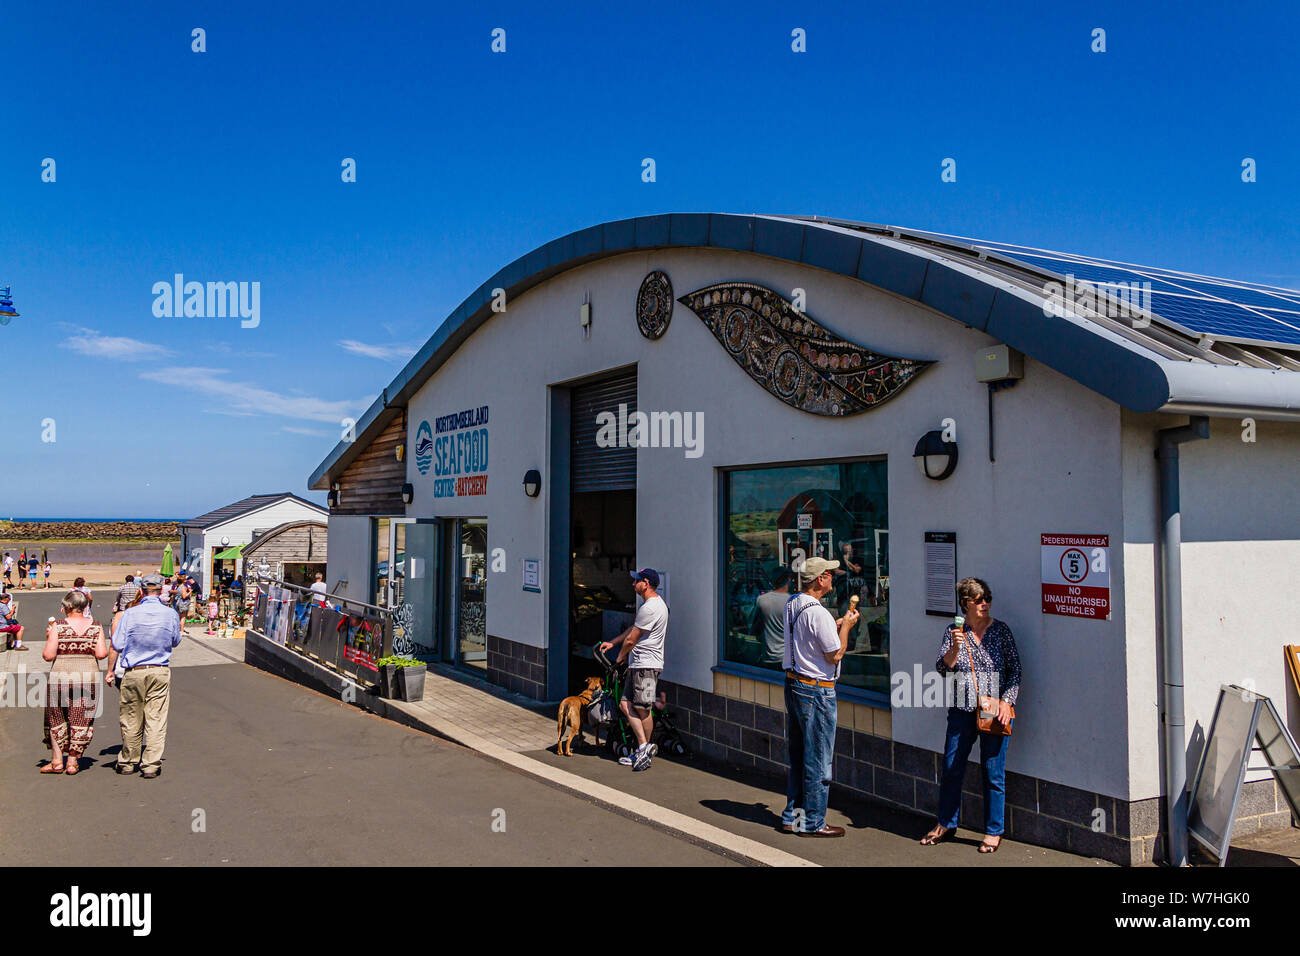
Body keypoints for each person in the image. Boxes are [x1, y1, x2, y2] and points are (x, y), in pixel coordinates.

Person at [921, 577, 1021, 853]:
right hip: (962, 708)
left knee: (992, 771)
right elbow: (943, 669)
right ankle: (946, 823)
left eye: (987, 598)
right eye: (978, 600)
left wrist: (1006, 702)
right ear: (965, 603)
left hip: (993, 708)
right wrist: (954, 648)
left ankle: (993, 831)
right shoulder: (954, 631)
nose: (985, 604)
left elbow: (1015, 671)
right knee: (952, 767)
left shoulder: (1000, 631)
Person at [781, 556, 858, 838]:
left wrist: (836, 623)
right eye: (829, 573)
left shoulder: (793, 603)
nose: (833, 577)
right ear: (820, 579)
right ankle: (812, 822)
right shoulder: (818, 613)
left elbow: (811, 637)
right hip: (816, 690)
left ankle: (794, 817)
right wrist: (847, 626)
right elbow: (834, 653)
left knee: (800, 755)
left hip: (794, 684)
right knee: (819, 759)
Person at [107, 574, 182, 778]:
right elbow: (176, 640)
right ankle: (150, 763)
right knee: (156, 717)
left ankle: (128, 760)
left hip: (134, 670)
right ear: (160, 591)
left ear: (141, 591)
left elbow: (118, 643)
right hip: (159, 668)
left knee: (131, 717)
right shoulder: (170, 614)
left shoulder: (130, 614)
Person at [598, 568, 668, 772]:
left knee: (643, 709)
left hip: (646, 665)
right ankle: (643, 748)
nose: (633, 584)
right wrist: (613, 642)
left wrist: (619, 658)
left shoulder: (652, 607)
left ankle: (644, 750)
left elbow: (632, 639)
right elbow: (633, 629)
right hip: (639, 665)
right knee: (625, 704)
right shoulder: (649, 606)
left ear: (646, 583)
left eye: (636, 580)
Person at [40, 590, 108, 774]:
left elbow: (48, 655)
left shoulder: (58, 626)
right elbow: (102, 653)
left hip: (61, 677)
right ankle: (72, 762)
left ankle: (56, 761)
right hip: (88, 677)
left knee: (57, 717)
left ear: (68, 606)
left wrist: (50, 638)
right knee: (81, 718)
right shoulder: (96, 625)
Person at [750, 568, 791, 667]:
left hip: (767, 658)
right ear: (788, 581)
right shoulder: (791, 601)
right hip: (787, 660)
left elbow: (754, 629)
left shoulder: (762, 600)